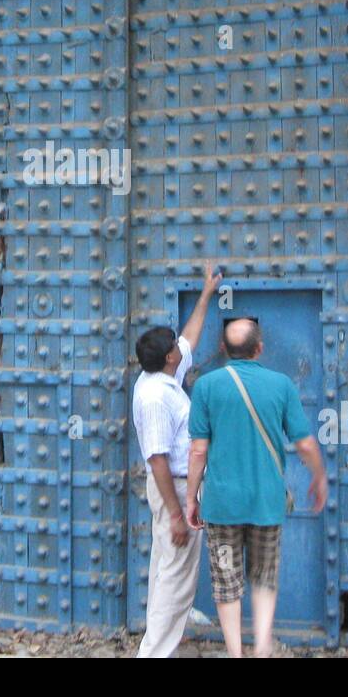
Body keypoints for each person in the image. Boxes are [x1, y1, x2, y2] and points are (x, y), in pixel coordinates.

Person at [185, 316, 327, 658]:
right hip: (267, 500)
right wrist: (319, 477)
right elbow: (305, 444)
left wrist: (191, 497)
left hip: (221, 503)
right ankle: (262, 643)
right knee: (264, 575)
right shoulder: (281, 385)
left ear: (223, 349)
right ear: (260, 349)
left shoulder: (206, 386)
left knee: (226, 582)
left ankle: (236, 652)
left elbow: (198, 449)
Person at [131, 262, 222, 657]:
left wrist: (205, 293)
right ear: (168, 358)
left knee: (164, 569)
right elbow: (157, 460)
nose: (178, 347)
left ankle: (153, 649)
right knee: (176, 579)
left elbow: (189, 336)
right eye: (173, 347)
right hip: (175, 489)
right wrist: (176, 513)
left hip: (178, 489)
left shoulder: (161, 378)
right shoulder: (155, 398)